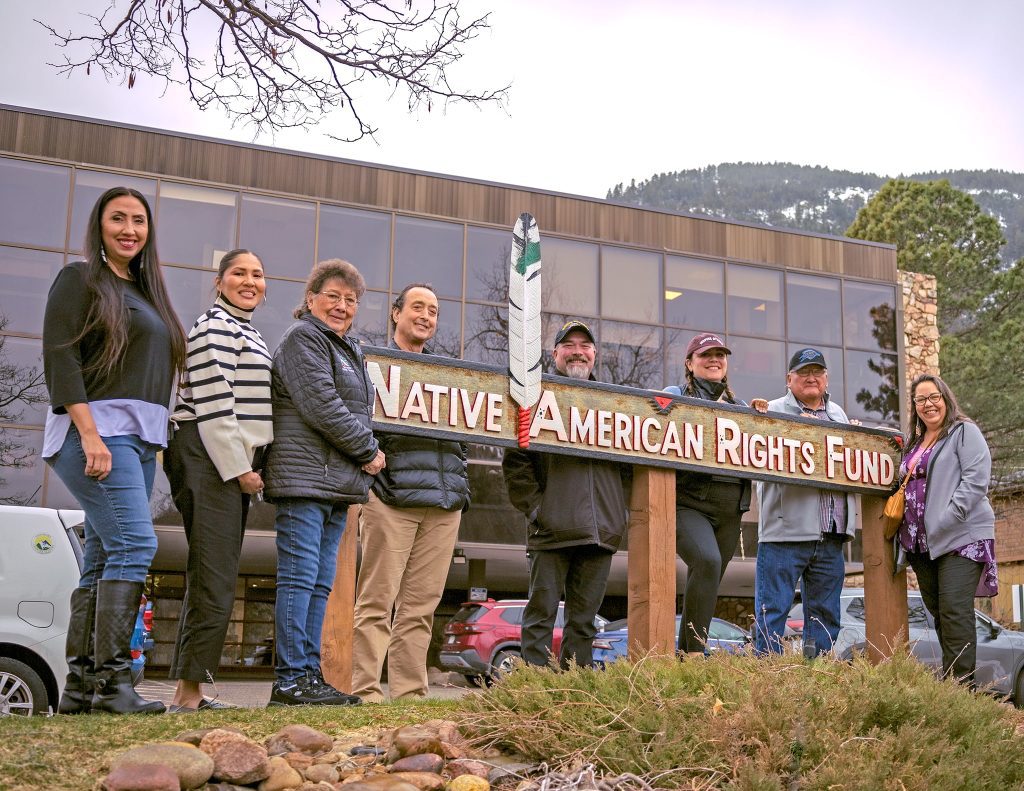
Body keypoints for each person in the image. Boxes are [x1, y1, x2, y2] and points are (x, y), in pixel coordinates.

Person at [43, 186, 186, 715]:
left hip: (141, 440)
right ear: (99, 225)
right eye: (118, 218)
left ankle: (80, 690)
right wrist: (89, 434)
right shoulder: (79, 279)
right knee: (135, 545)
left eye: (139, 221)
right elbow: (61, 359)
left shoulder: (147, 292)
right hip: (99, 434)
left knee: (103, 557)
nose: (129, 229)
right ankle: (113, 686)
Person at [262, 259, 385, 706]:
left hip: (335, 484)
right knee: (298, 578)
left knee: (318, 583)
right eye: (332, 296)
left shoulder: (347, 348)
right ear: (310, 298)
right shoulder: (302, 340)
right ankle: (290, 679)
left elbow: (354, 409)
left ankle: (308, 676)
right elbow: (323, 407)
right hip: (302, 480)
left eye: (350, 300)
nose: (342, 306)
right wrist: (368, 452)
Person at [163, 249, 273, 712]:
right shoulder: (213, 327)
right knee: (214, 576)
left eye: (258, 274)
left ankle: (190, 690)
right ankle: (189, 694)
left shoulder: (246, 330)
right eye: (239, 273)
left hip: (220, 459)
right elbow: (213, 405)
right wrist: (241, 468)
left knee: (215, 574)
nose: (250, 281)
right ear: (220, 281)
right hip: (207, 456)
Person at [351, 283, 471, 702]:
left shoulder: (451, 377)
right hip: (391, 500)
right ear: (396, 313)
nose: (426, 315)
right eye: (417, 307)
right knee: (376, 601)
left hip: (444, 505)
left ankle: (409, 695)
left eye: (433, 310)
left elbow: (469, 433)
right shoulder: (371, 366)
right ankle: (364, 691)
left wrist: (459, 481)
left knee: (421, 609)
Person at [502, 321, 631, 670]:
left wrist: (619, 514)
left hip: (601, 533)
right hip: (551, 531)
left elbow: (632, 466)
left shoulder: (613, 403)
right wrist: (538, 511)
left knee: (584, 622)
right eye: (569, 345)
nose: (577, 351)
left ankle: (576, 693)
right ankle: (534, 688)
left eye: (585, 345)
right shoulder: (534, 396)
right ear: (555, 353)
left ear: (594, 354)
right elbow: (516, 465)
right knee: (541, 613)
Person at [753, 348, 858, 656]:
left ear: (826, 378)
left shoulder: (839, 415)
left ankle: (817, 682)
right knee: (771, 613)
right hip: (784, 534)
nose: (811, 378)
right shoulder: (768, 410)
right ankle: (768, 684)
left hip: (832, 534)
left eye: (817, 372)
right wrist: (756, 419)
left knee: (826, 619)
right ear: (789, 379)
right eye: (803, 372)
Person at [665, 332, 764, 656]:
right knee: (706, 561)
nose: (714, 360)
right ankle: (692, 655)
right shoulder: (676, 394)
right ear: (689, 363)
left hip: (730, 510)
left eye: (720, 355)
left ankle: (688, 652)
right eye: (705, 354)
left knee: (709, 579)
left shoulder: (739, 407)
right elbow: (652, 412)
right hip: (689, 504)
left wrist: (760, 417)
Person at [895, 373, 996, 686]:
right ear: (915, 406)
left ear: (946, 398)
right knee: (941, 613)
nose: (929, 404)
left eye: (934, 397)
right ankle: (953, 685)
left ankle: (962, 691)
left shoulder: (964, 432)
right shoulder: (914, 443)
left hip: (959, 538)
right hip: (921, 545)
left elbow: (976, 480)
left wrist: (947, 517)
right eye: (921, 400)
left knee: (955, 610)